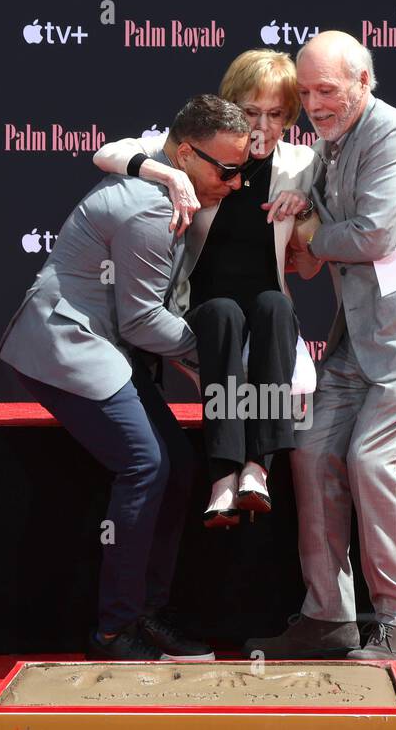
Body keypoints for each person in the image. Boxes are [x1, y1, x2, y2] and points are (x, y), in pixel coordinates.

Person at [245, 31, 396, 671]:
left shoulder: (395, 133)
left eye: (328, 90)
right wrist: (298, 201)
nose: (316, 103)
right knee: (314, 450)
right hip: (360, 335)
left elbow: (373, 236)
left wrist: (311, 229)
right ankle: (328, 618)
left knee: (375, 464)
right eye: (308, 92)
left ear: (363, 82)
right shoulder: (329, 143)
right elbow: (320, 240)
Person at [0, 94, 251, 662]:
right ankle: (115, 631)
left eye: (243, 171)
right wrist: (221, 354)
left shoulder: (164, 171)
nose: (234, 184)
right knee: (147, 463)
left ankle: (148, 614)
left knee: (178, 466)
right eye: (227, 170)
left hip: (105, 345)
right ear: (185, 154)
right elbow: (143, 322)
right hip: (68, 344)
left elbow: (123, 152)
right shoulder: (151, 209)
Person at [92, 49, 322, 529]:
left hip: (265, 310)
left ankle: (258, 468)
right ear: (232, 109)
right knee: (221, 314)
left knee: (276, 306)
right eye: (252, 112)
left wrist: (303, 207)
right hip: (201, 308)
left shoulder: (302, 164)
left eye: (276, 115)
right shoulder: (204, 149)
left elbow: (315, 255)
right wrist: (170, 174)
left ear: (290, 118)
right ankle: (223, 475)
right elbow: (107, 153)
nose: (262, 126)